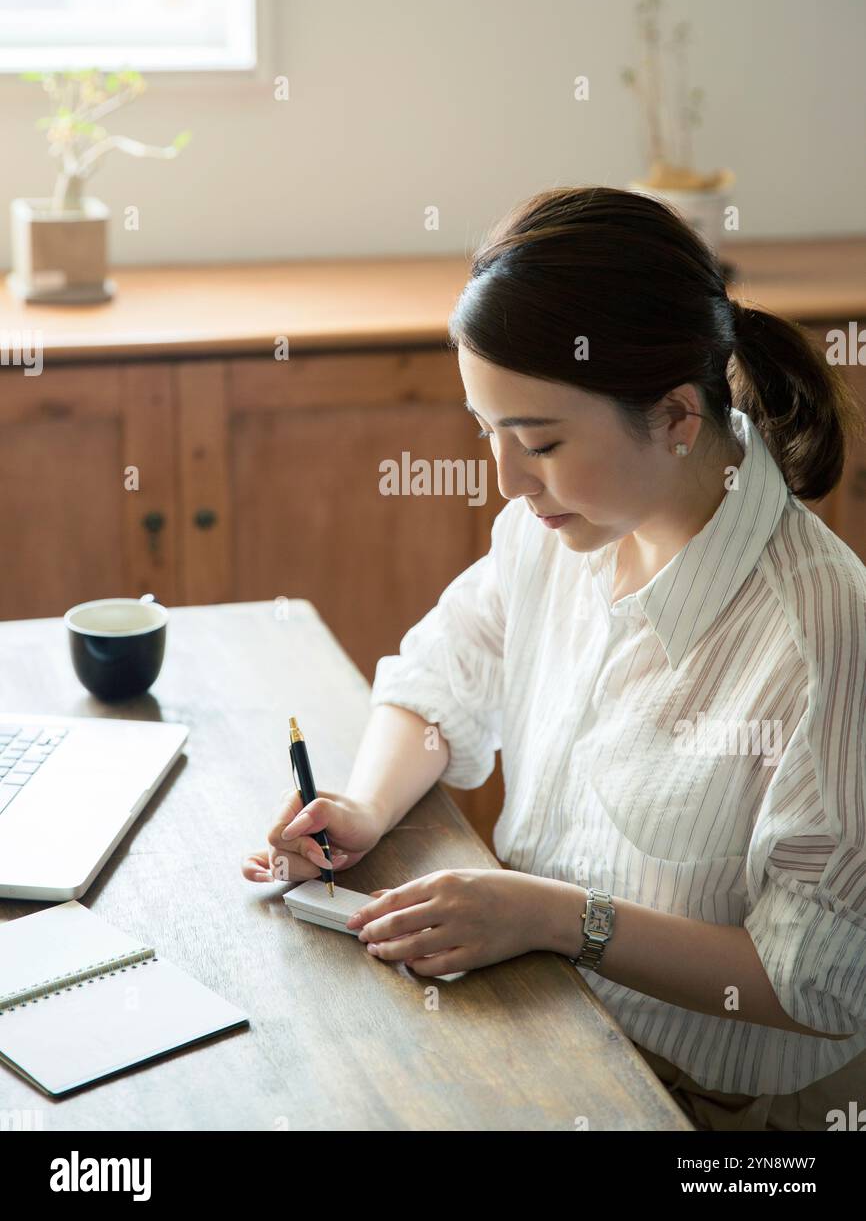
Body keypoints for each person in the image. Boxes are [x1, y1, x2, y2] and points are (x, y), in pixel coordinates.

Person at [242, 187, 866, 1131]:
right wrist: (367, 803)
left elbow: (815, 983)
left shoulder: (821, 638)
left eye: (538, 440)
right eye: (487, 430)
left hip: (727, 1111)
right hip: (549, 1024)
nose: (505, 477)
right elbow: (439, 679)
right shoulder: (552, 531)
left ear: (678, 418)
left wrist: (554, 916)